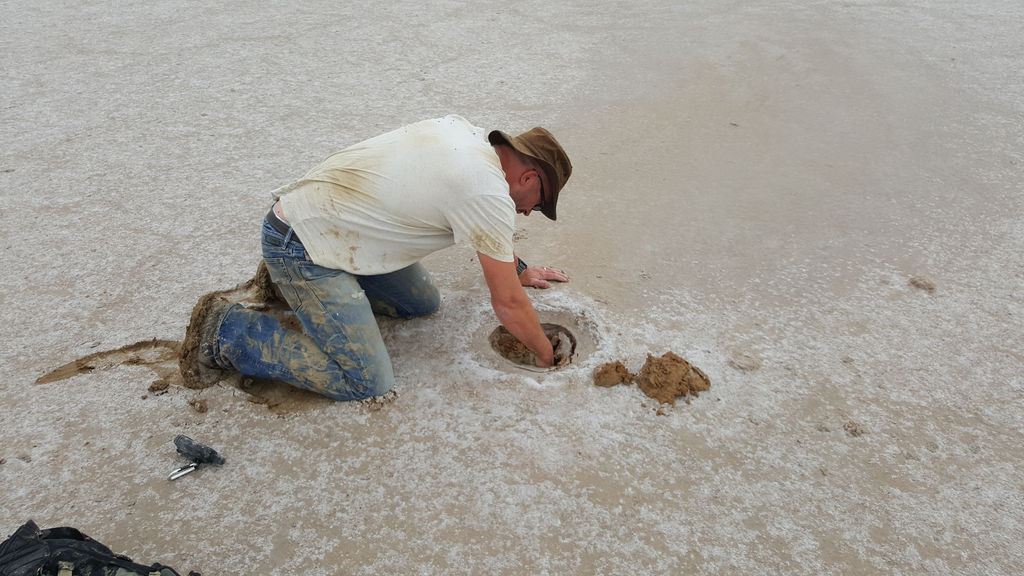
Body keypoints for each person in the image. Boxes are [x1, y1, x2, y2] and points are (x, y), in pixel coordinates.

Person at [179, 115, 573, 401]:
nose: (526, 213)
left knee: (422, 304)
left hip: (328, 223)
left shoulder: (466, 137)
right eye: (536, 205)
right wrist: (544, 355)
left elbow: (486, 229)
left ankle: (287, 286)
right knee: (366, 381)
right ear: (530, 178)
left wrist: (517, 268)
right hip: (300, 242)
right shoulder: (484, 191)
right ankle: (225, 332)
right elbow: (506, 302)